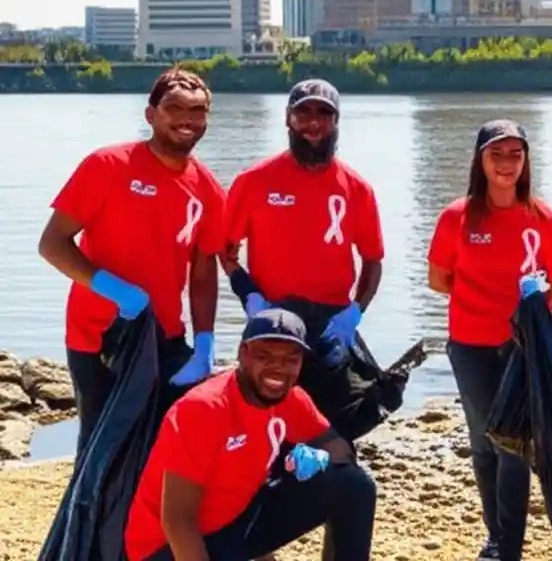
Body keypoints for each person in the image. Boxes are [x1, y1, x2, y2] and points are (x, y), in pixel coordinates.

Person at [38, 68, 225, 455]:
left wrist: (205, 341)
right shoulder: (108, 165)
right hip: (98, 337)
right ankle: (88, 518)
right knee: (102, 451)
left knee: (169, 449)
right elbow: (52, 244)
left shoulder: (208, 188)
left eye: (198, 110)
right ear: (151, 115)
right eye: (173, 107)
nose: (186, 119)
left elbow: (205, 269)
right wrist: (116, 291)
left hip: (166, 338)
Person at [123, 307, 377, 561]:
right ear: (243, 354)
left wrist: (320, 459)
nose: (278, 368)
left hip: (232, 523)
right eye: (264, 356)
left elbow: (337, 445)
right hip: (165, 546)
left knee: (354, 485)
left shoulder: (290, 399)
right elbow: (178, 520)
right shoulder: (203, 409)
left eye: (290, 359)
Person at [426, 119, 552, 561]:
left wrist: (531, 306)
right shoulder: (457, 217)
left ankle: (509, 546)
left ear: (525, 161)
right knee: (484, 439)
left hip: (524, 349)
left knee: (514, 444)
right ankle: (495, 532)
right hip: (470, 345)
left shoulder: (544, 218)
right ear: (480, 160)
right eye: (496, 154)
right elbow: (438, 280)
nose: (506, 164)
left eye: (515, 154)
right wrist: (483, 302)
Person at [221, 78, 384, 369]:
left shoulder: (358, 188)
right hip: (273, 314)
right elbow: (225, 250)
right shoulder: (253, 181)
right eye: (303, 113)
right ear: (287, 119)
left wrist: (354, 312)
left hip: (332, 319)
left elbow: (372, 260)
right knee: (266, 400)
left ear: (336, 121)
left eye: (323, 114)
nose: (313, 123)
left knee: (358, 405)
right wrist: (250, 297)